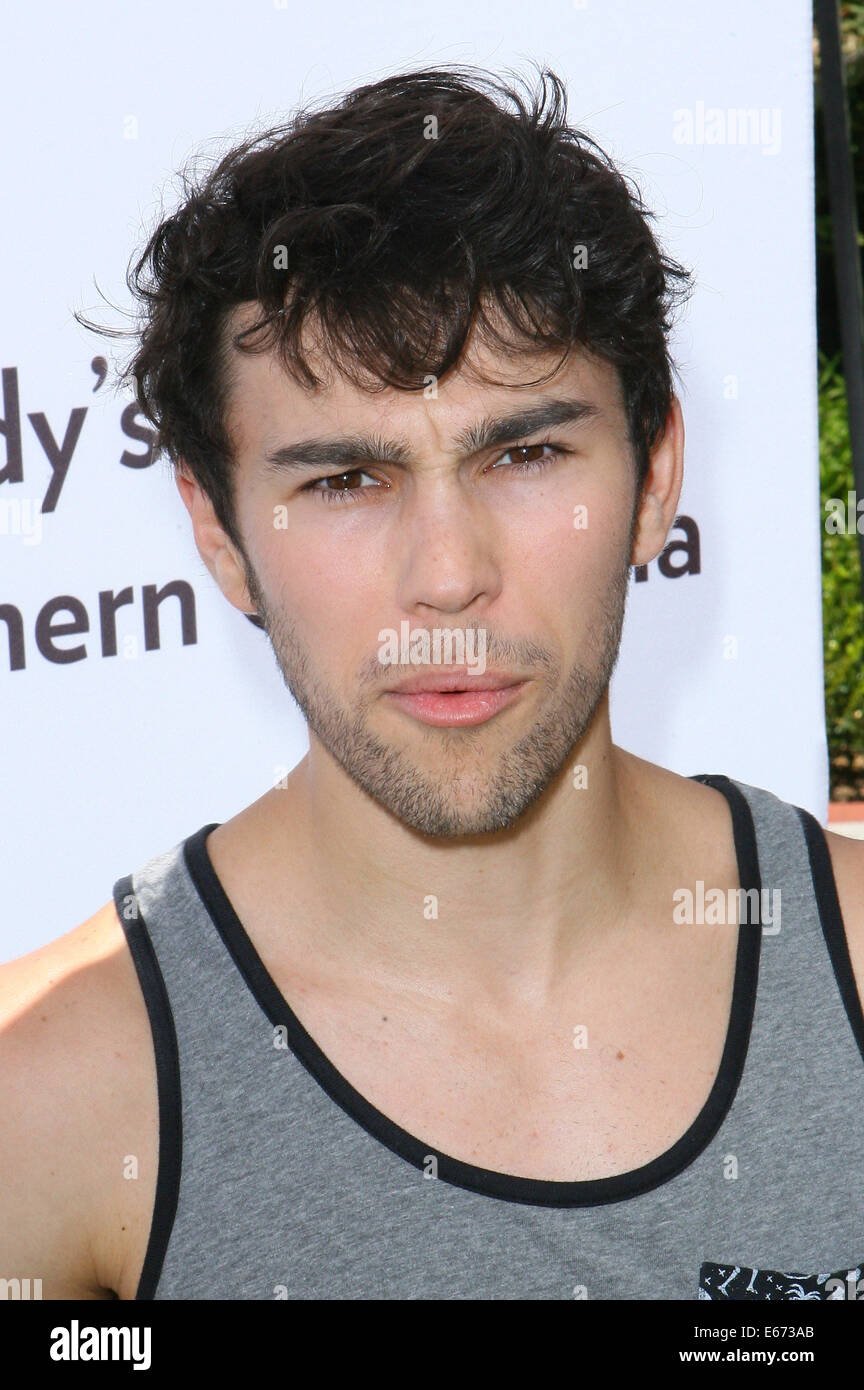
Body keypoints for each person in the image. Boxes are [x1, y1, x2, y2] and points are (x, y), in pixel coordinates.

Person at [3, 65, 863, 1303]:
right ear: (219, 533)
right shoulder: (44, 1101)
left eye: (524, 453)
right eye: (345, 481)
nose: (449, 578)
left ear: (656, 473)